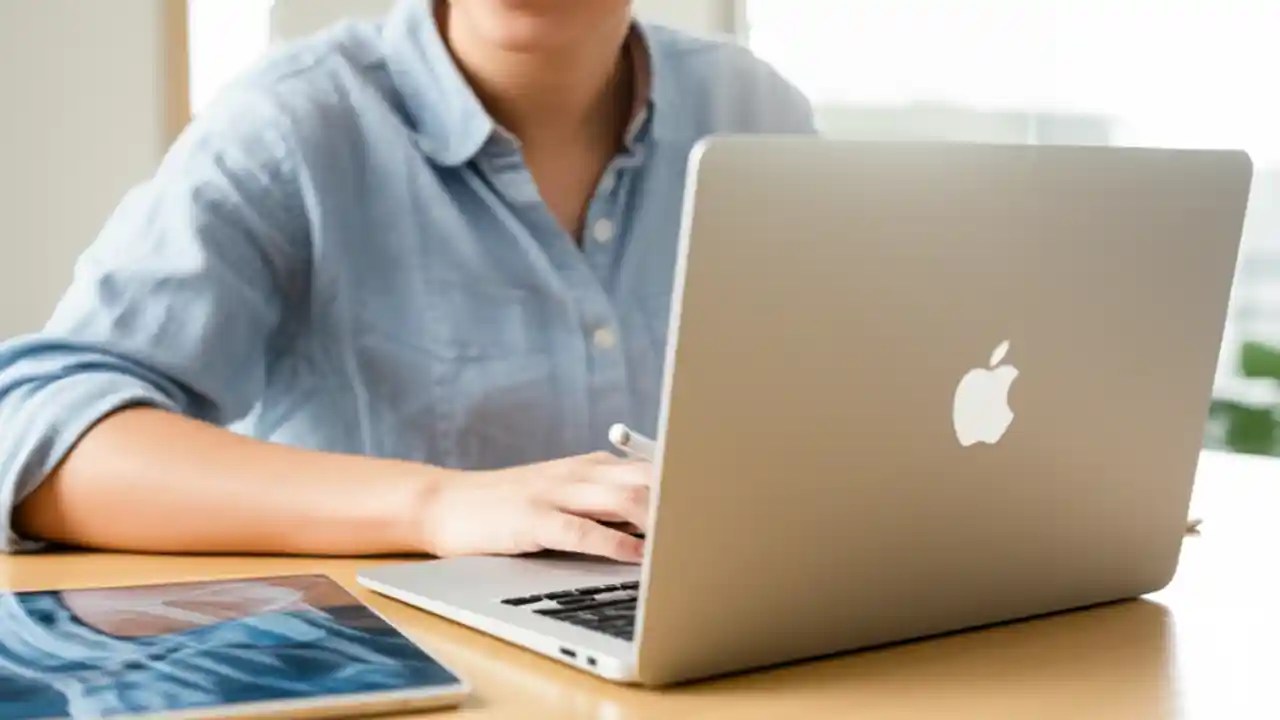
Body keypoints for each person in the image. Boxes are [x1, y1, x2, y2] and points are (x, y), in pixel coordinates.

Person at [0, 0, 813, 560]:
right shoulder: (290, 125)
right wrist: (437, 505)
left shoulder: (755, 111)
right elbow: (34, 435)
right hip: (382, 662)